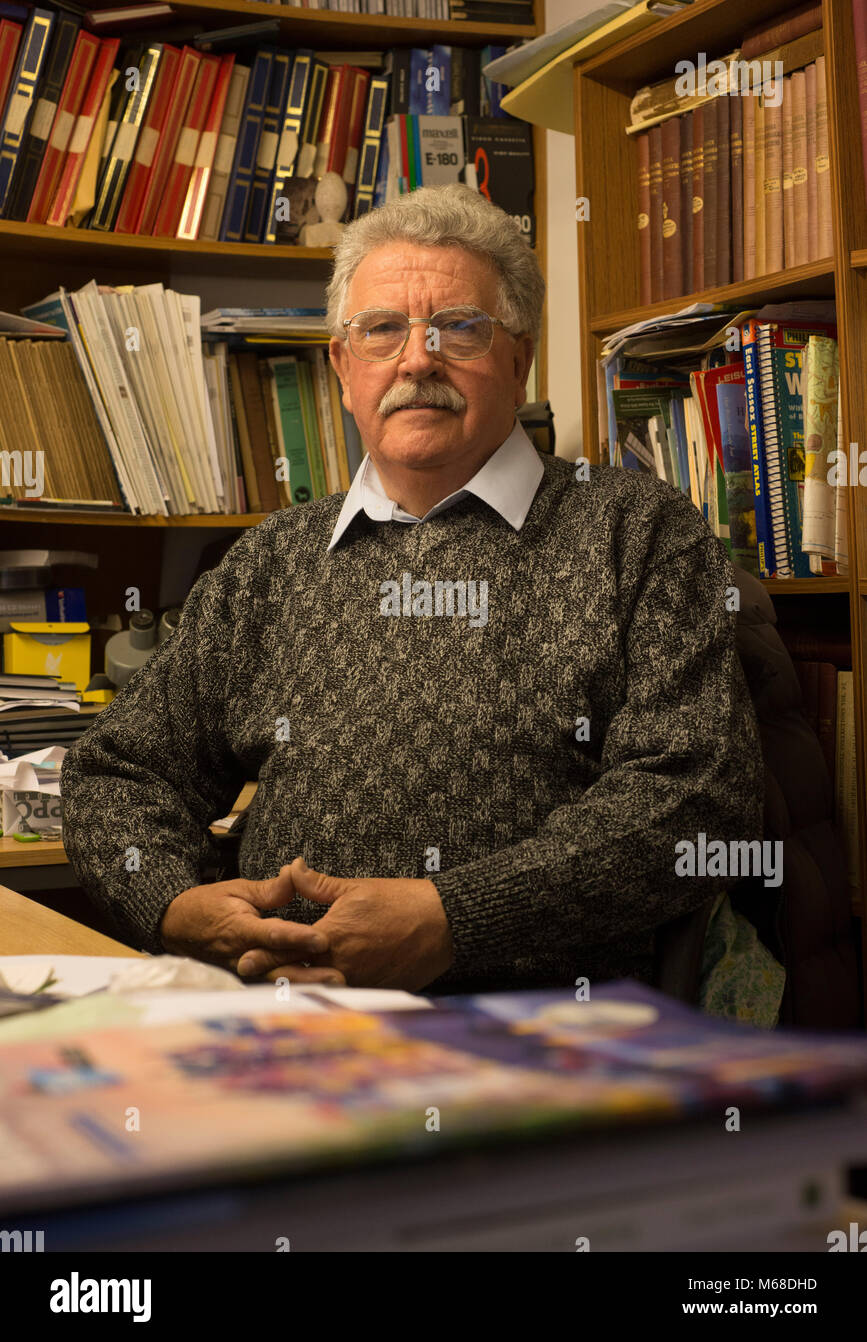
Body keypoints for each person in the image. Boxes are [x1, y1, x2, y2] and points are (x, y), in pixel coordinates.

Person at [61, 183, 763, 994]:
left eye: (458, 328)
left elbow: (697, 798)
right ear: (342, 365)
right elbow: (116, 772)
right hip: (277, 1021)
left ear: (518, 357)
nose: (417, 358)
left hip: (538, 1037)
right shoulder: (272, 560)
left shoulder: (634, 531)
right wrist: (177, 907)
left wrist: (454, 919)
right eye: (382, 330)